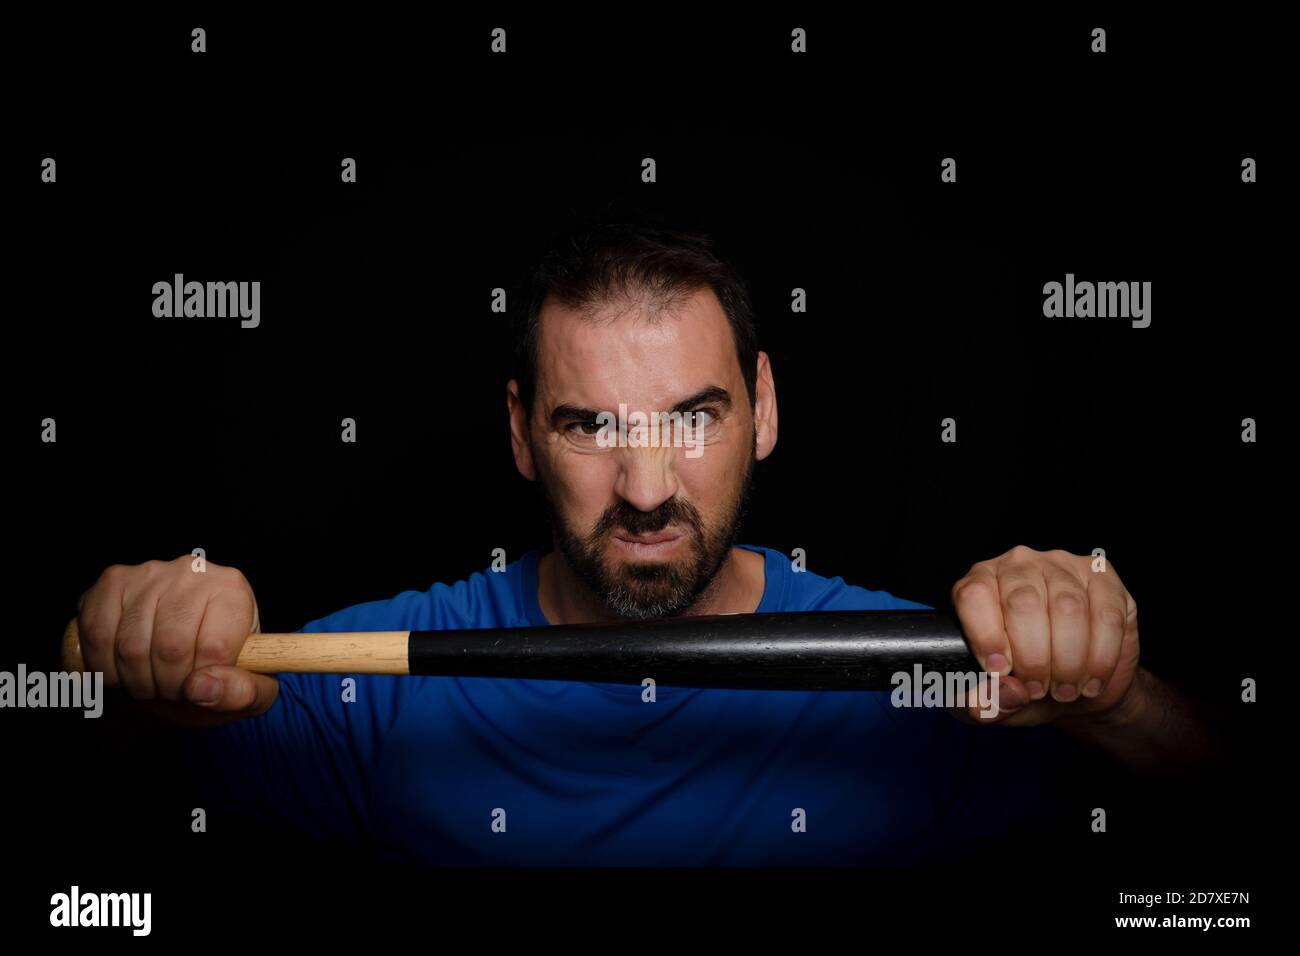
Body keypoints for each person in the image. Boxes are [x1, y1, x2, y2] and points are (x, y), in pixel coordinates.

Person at [74, 221, 1214, 865]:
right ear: (521, 434)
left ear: (763, 409)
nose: (647, 489)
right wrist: (117, 652)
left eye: (694, 416)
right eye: (588, 426)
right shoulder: (374, 675)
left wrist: (1110, 689)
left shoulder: (916, 673)